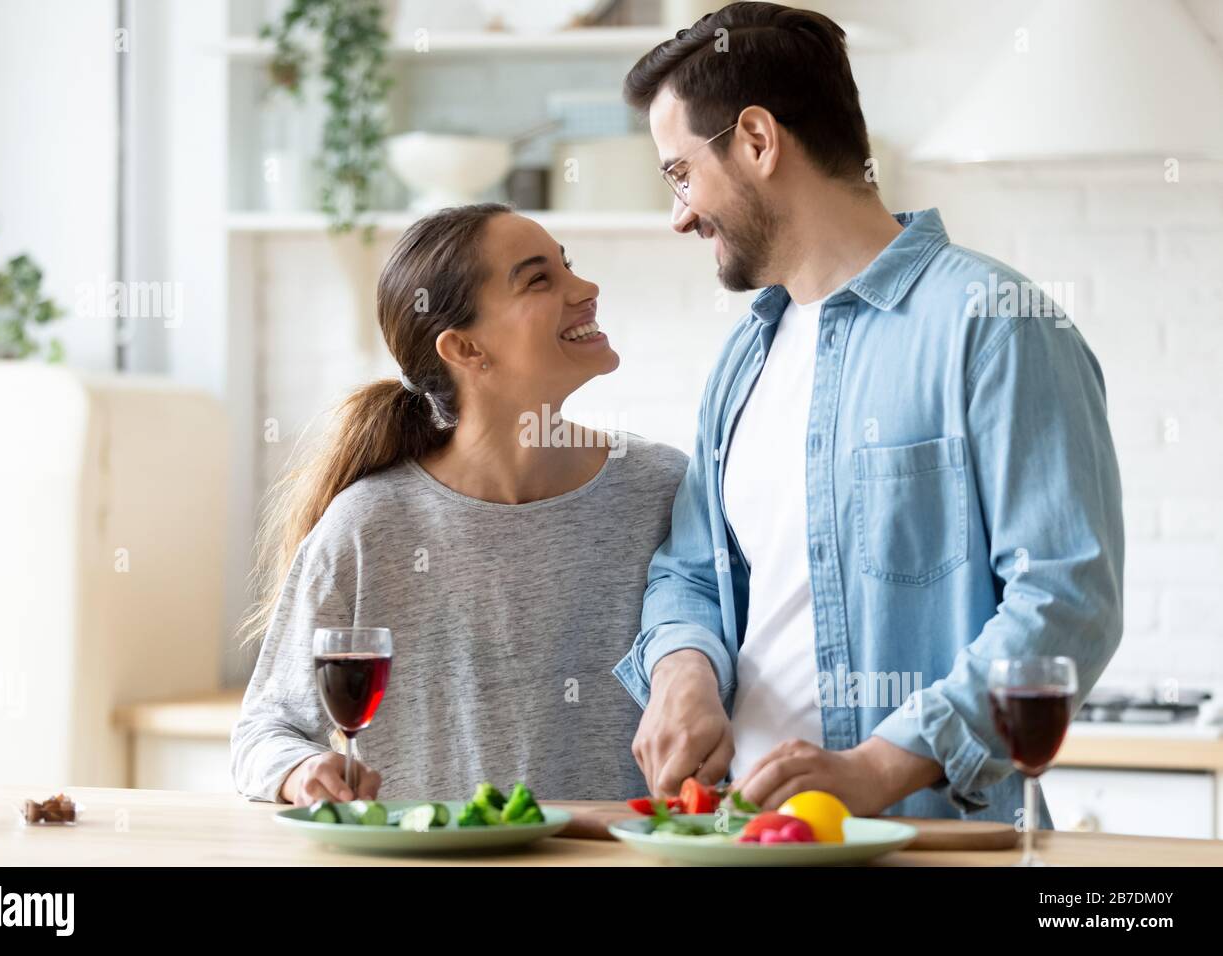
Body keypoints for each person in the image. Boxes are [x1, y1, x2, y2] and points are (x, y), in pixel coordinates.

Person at [614, 3, 1123, 824]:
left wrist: (881, 767)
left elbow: (1065, 603)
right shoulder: (743, 360)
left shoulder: (993, 323)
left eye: (679, 173)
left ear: (756, 139)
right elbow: (693, 571)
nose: (679, 213)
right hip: (747, 838)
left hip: (930, 844)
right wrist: (682, 668)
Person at [231, 203, 687, 805]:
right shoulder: (371, 526)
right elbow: (265, 731)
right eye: (540, 279)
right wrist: (301, 772)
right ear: (466, 349)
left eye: (566, 265)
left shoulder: (661, 487)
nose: (587, 289)